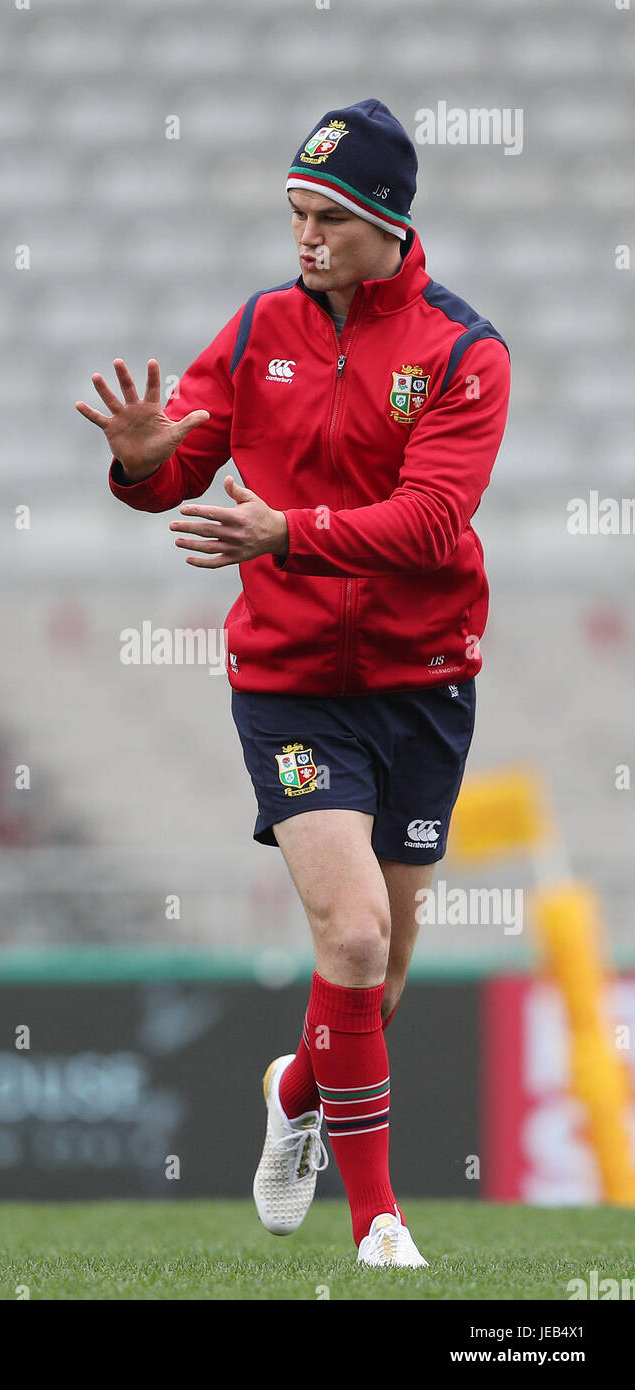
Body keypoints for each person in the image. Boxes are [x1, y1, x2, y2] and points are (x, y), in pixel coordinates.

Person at [76, 98, 510, 1267]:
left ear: (387, 223)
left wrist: (290, 533)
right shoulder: (261, 324)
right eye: (293, 214)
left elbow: (429, 524)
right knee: (355, 937)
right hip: (290, 676)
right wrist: (139, 465)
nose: (303, 238)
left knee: (382, 976)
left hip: (424, 678)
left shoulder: (465, 353)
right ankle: (379, 1219)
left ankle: (296, 1085)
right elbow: (186, 466)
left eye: (326, 218)